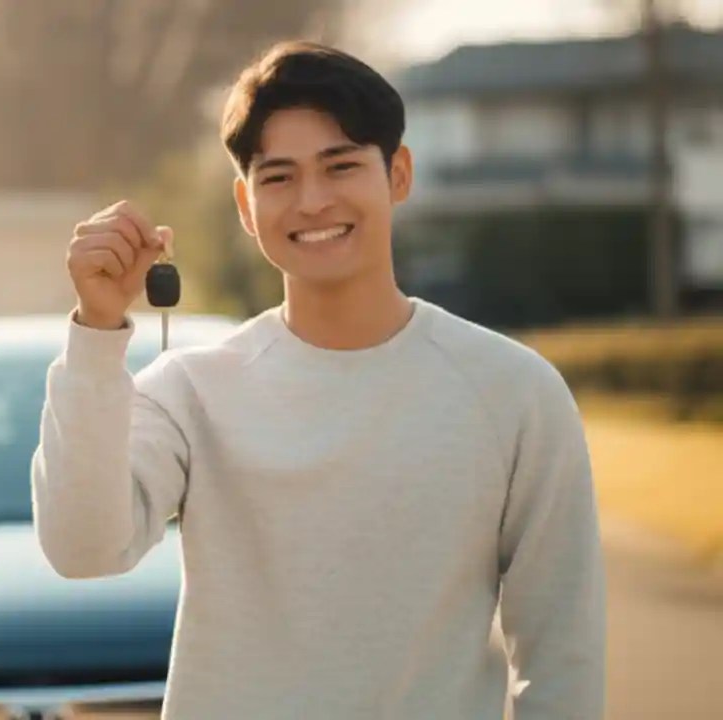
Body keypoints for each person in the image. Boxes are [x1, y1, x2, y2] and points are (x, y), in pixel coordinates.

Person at [30, 39, 606, 719]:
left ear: (398, 174)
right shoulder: (190, 390)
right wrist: (96, 329)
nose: (312, 200)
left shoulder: (514, 392)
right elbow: (82, 548)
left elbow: (560, 653)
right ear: (246, 206)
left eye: (340, 166)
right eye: (279, 177)